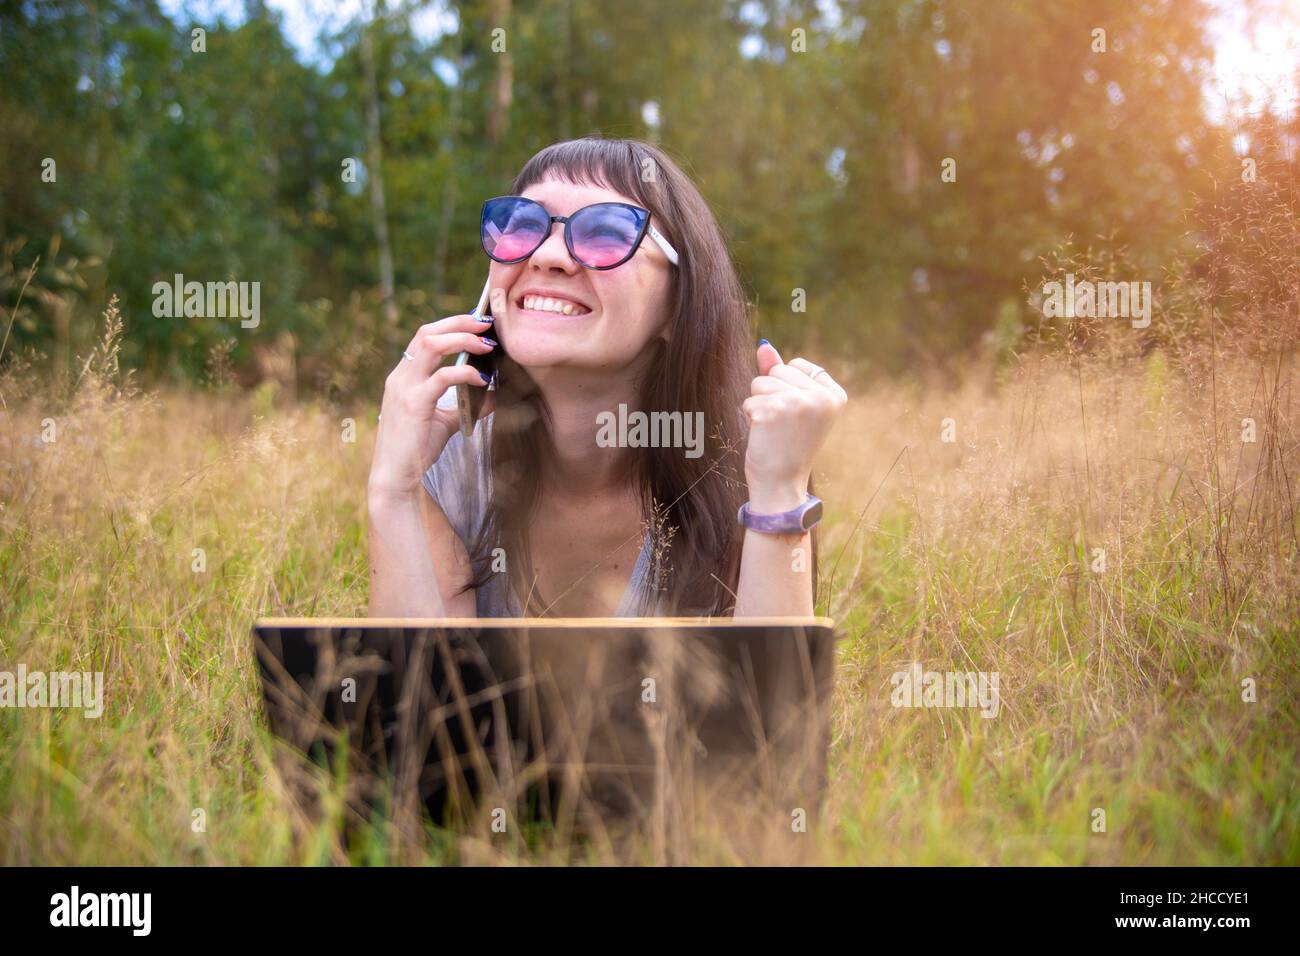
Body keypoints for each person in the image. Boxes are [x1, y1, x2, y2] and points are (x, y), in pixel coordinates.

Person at [367, 136, 847, 619]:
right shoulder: (454, 454)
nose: (547, 255)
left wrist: (780, 489)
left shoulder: (745, 467)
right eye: (523, 225)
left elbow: (774, 696)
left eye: (605, 233)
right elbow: (418, 686)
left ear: (679, 306)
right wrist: (394, 489)